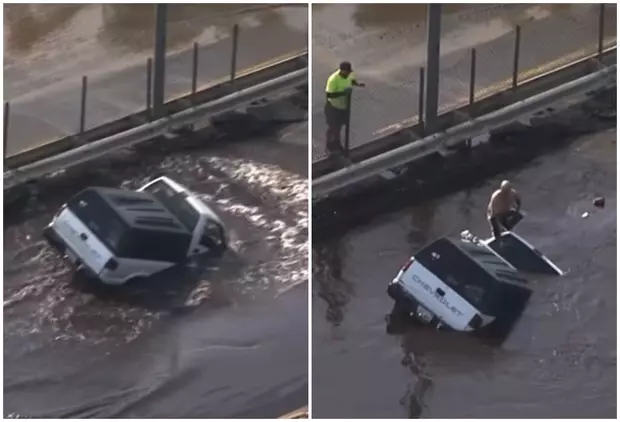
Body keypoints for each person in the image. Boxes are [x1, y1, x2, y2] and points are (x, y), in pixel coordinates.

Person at [324, 61, 365, 154]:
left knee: (340, 126)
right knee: (333, 127)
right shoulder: (333, 79)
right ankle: (329, 146)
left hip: (344, 107)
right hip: (334, 107)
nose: (349, 73)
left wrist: (358, 84)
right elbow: (329, 94)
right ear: (342, 71)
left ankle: (337, 144)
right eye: (347, 72)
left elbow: (351, 80)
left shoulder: (349, 75)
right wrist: (343, 93)